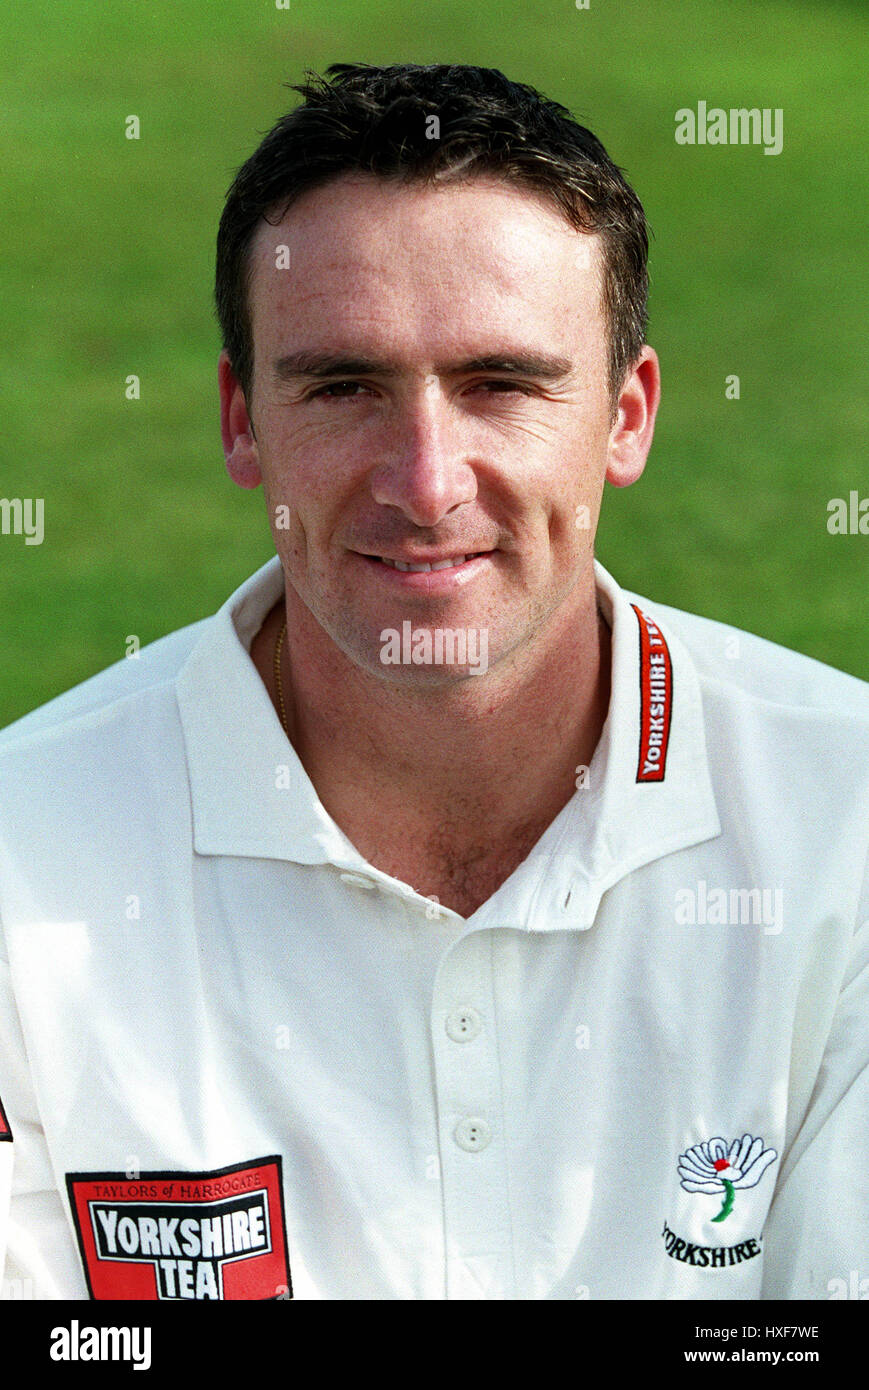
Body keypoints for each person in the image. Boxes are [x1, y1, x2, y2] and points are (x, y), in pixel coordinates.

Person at [0, 63, 866, 1302]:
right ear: (242, 420)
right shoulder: (19, 854)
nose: (425, 481)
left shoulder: (847, 813)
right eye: (344, 386)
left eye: (500, 384)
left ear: (626, 416)